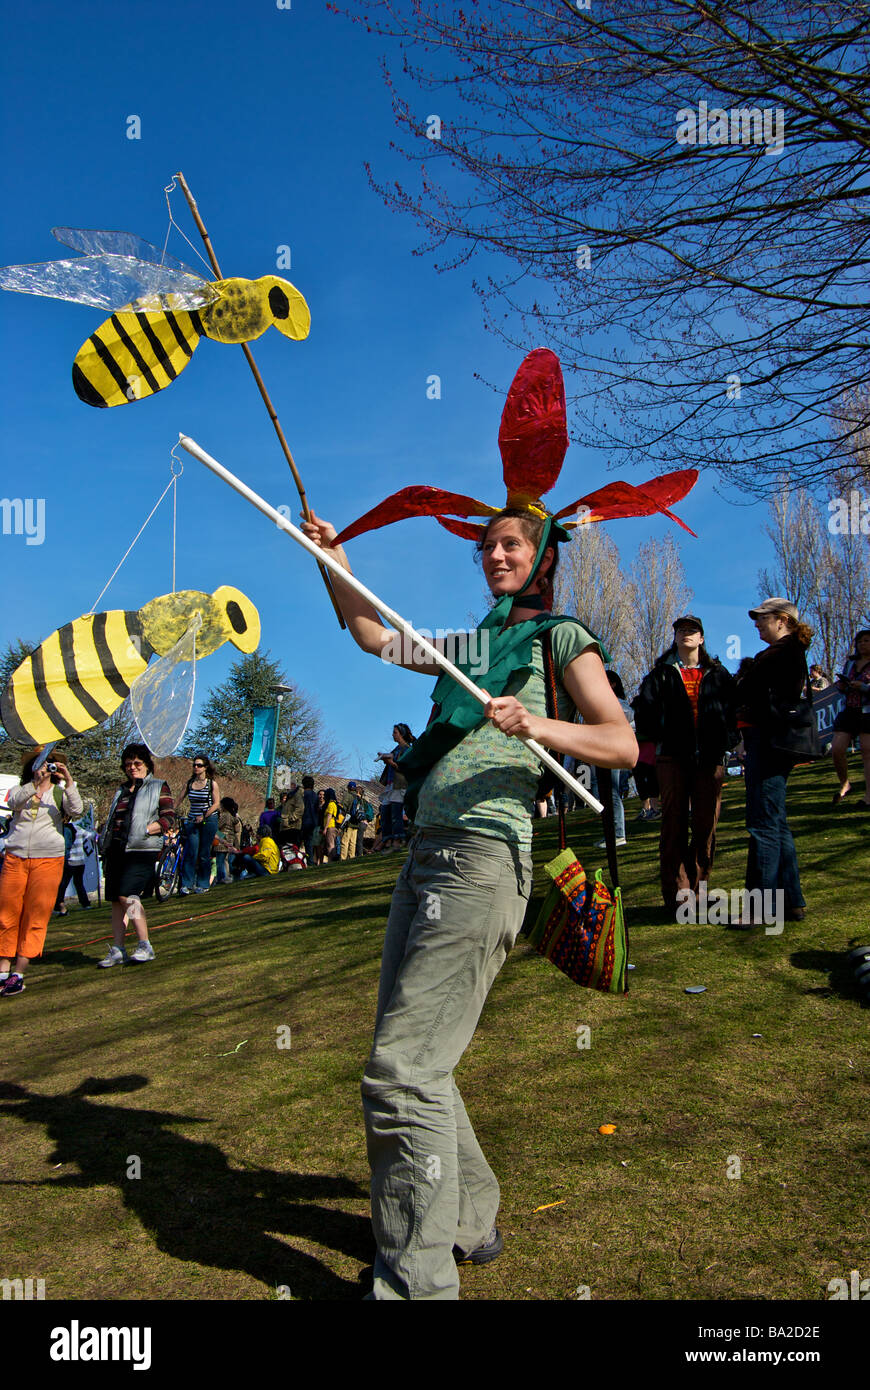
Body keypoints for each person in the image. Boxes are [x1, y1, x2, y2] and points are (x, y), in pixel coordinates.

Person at [300, 504, 636, 1301]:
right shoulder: (477, 647)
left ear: (542, 554)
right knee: (420, 1061)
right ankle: (470, 1219)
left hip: (484, 863)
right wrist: (330, 558)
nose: (496, 554)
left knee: (402, 1071)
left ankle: (417, 1284)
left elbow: (621, 742)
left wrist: (539, 723)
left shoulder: (560, 637)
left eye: (512, 544)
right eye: (487, 546)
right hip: (423, 861)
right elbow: (377, 639)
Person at [633, 617, 736, 914]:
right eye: (681, 630)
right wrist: (653, 753)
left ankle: (699, 891)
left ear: (702, 638)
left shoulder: (718, 674)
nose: (686, 634)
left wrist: (727, 741)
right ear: (675, 637)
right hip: (671, 759)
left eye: (692, 630)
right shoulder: (660, 675)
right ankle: (678, 896)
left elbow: (731, 711)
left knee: (705, 825)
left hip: (709, 759)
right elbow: (644, 716)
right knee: (674, 824)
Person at [734, 598, 813, 925]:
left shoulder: (779, 654)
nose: (756, 624)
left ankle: (759, 907)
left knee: (763, 824)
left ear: (781, 620)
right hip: (776, 743)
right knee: (776, 822)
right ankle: (792, 901)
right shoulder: (790, 652)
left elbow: (747, 693)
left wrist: (744, 682)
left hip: (768, 742)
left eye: (762, 618)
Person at [0, 747, 83, 996]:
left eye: (50, 763)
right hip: (15, 858)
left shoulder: (60, 793)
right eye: (40, 762)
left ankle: (19, 972)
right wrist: (34, 785)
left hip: (48, 860)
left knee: (36, 914)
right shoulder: (21, 790)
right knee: (6, 913)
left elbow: (76, 811)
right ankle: (3, 969)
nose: (46, 767)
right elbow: (13, 802)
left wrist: (68, 781)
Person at [98, 745, 174, 967]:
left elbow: (169, 817)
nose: (132, 768)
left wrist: (150, 828)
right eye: (128, 764)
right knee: (114, 899)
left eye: (137, 764)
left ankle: (144, 944)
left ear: (147, 765)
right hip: (116, 849)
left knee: (128, 894)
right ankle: (118, 948)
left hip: (142, 849)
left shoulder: (158, 786)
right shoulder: (121, 790)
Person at [594, 670, 636, 849]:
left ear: (612, 684)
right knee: (604, 792)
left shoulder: (620, 705)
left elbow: (627, 723)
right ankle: (611, 834)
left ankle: (618, 834)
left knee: (612, 792)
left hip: (614, 751)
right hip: (603, 750)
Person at [830, 629, 870, 807]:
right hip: (849, 709)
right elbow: (842, 686)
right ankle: (845, 783)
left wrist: (863, 687)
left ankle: (869, 796)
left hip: (868, 711)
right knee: (837, 749)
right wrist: (842, 685)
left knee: (867, 753)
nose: (863, 644)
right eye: (860, 641)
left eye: (867, 641)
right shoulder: (850, 663)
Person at [175, 755, 220, 895]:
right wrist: (170, 811)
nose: (196, 767)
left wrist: (204, 815)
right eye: (194, 765)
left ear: (205, 767)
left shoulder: (212, 783)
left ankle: (203, 883)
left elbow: (217, 803)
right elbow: (179, 799)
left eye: (199, 765)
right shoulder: (189, 784)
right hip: (193, 819)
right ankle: (186, 884)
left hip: (208, 819)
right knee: (191, 851)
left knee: (204, 853)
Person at [377, 725, 415, 849]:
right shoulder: (396, 749)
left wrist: (390, 762)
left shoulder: (407, 749)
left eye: (395, 732)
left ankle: (397, 840)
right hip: (391, 785)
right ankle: (387, 839)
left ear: (401, 734)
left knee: (395, 814)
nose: (393, 735)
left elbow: (402, 767)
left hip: (400, 785)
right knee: (385, 812)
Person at [214, 797, 242, 884]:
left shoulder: (224, 815)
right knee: (224, 860)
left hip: (221, 841)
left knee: (220, 861)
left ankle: (221, 878)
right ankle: (226, 877)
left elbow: (216, 826)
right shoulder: (232, 816)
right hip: (229, 841)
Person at [341, 781, 371, 860]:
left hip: (349, 821)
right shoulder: (359, 798)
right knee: (353, 842)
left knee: (345, 841)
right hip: (357, 822)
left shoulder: (348, 796)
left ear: (348, 788)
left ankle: (343, 858)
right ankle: (352, 856)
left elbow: (343, 807)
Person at [300, 776, 318, 864]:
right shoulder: (315, 795)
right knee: (309, 843)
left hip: (302, 821)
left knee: (297, 842)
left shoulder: (302, 795)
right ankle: (310, 861)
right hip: (313, 822)